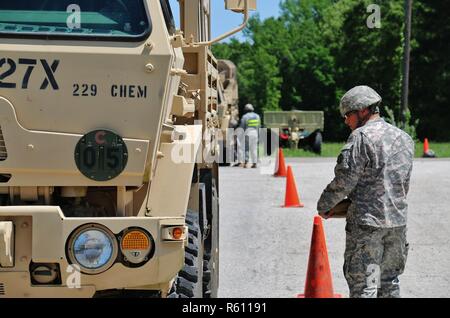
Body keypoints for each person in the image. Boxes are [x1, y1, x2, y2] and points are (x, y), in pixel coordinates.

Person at [317, 85, 414, 298]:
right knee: (388, 282)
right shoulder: (404, 138)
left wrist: (324, 205)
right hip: (396, 225)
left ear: (363, 111)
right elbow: (403, 185)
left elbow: (345, 180)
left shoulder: (360, 137)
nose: (346, 121)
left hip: (367, 228)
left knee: (365, 286)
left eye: (348, 114)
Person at [237, 104, 261, 168]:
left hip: (248, 133)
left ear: (246, 110)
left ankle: (246, 163)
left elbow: (242, 126)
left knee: (246, 148)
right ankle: (255, 163)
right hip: (255, 133)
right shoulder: (257, 116)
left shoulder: (245, 116)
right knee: (254, 148)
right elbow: (259, 126)